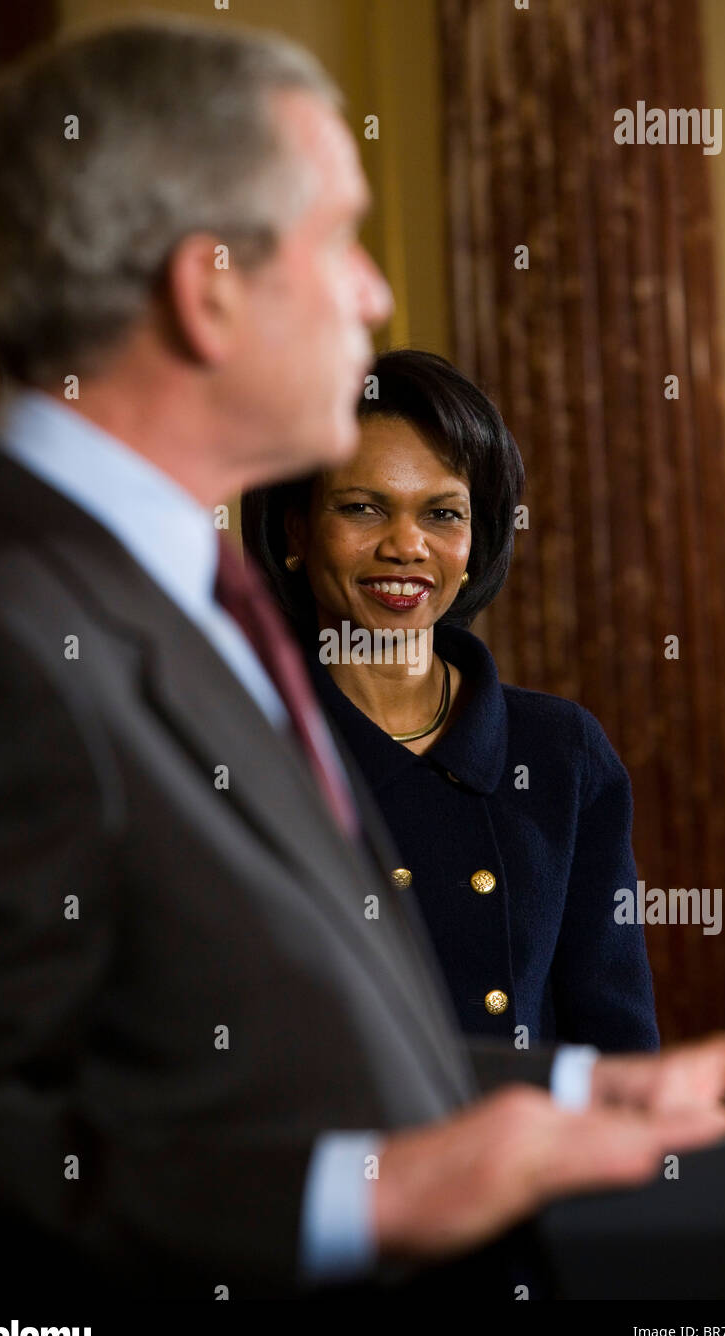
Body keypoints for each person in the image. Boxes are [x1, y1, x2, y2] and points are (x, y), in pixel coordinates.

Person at [0, 15, 725, 1303]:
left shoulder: (181, 605)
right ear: (209, 283)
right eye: (340, 238)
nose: (375, 293)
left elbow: (250, 1052)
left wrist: (585, 1082)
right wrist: (372, 1196)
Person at [243, 348, 658, 1053]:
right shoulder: (246, 745)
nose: (407, 545)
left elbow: (615, 1053)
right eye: (362, 508)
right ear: (295, 532)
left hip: (534, 1160)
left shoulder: (561, 752)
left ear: (475, 541)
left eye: (441, 513)